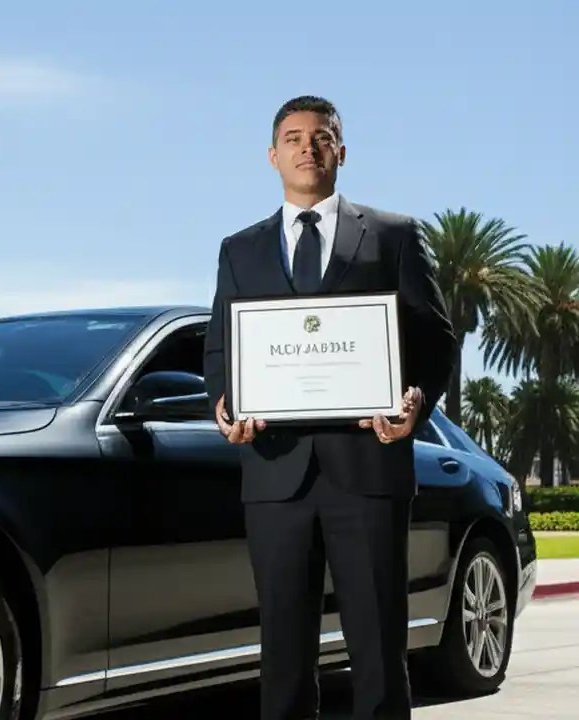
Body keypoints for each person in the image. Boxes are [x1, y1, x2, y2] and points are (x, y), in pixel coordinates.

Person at [202, 95, 456, 720]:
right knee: (282, 656)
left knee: (377, 654)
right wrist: (223, 404)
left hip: (369, 471)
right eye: (292, 138)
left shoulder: (394, 236)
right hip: (274, 474)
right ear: (272, 156)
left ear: (341, 150)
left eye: (321, 137)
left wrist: (416, 403)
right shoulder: (240, 250)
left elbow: (436, 337)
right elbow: (219, 346)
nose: (307, 148)